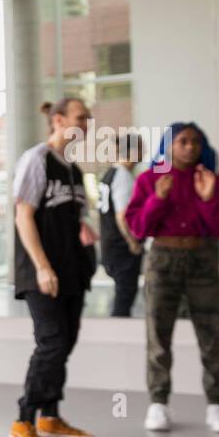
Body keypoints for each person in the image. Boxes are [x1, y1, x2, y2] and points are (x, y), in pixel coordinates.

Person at [125, 122, 219, 433]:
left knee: (210, 334)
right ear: (169, 146)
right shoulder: (150, 180)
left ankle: (216, 406)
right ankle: (158, 404)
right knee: (158, 334)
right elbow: (137, 228)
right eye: (183, 141)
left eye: (196, 142)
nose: (190, 147)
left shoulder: (213, 182)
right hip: (163, 259)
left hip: (204, 258)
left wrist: (208, 197)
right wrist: (157, 199)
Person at [7, 98, 99, 437]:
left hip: (72, 271)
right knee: (52, 343)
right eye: (80, 118)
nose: (87, 124)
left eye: (89, 119)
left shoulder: (73, 168)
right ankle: (23, 420)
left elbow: (70, 216)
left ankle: (50, 416)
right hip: (41, 272)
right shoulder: (37, 159)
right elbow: (23, 216)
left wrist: (84, 229)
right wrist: (43, 267)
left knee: (66, 342)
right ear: (58, 120)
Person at [98, 132, 146, 317]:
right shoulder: (123, 176)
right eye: (141, 148)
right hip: (121, 246)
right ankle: (118, 331)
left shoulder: (109, 174)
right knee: (125, 295)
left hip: (110, 243)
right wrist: (132, 241)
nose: (144, 152)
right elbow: (122, 216)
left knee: (122, 293)